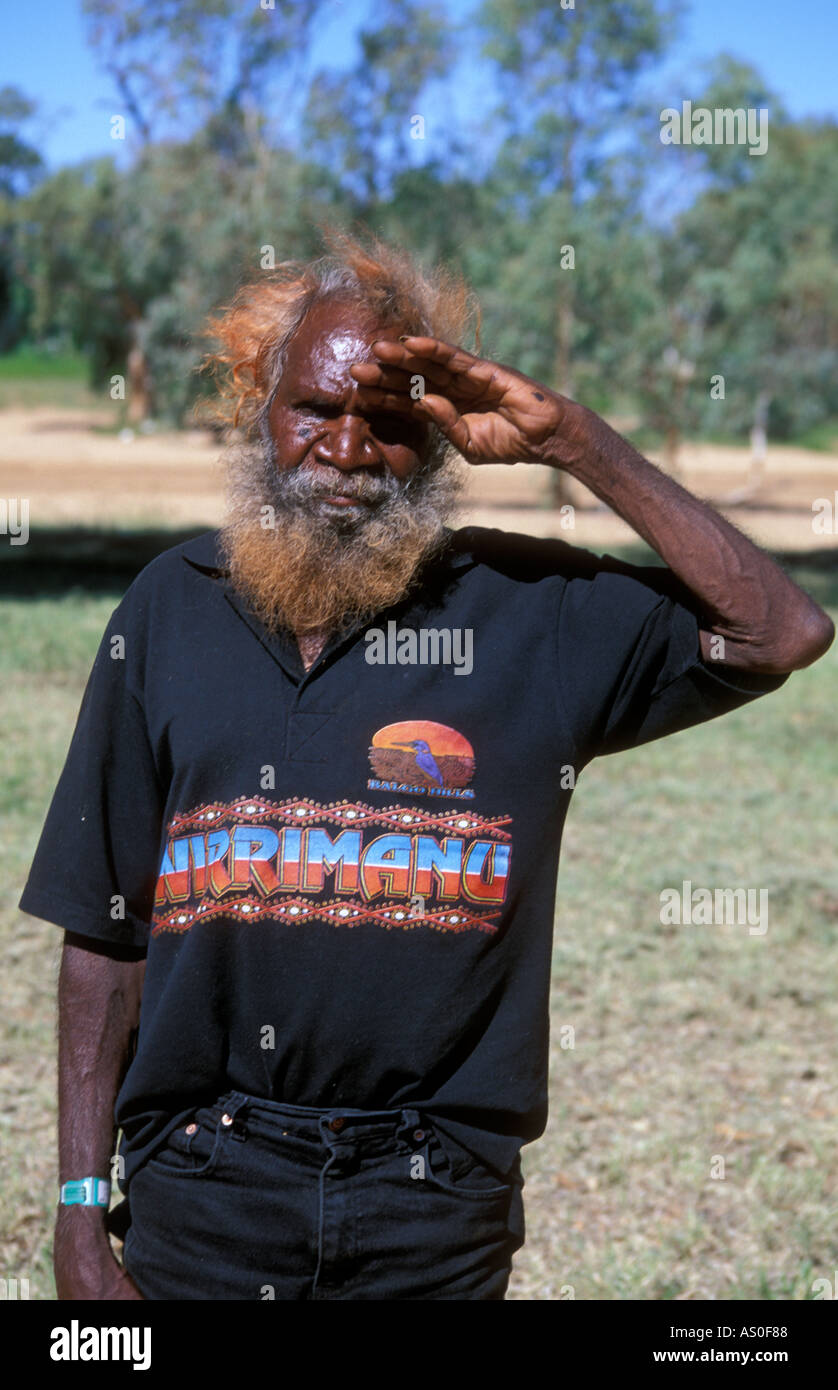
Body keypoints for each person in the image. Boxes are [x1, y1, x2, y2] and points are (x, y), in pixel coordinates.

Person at [19, 231, 833, 1301]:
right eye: (314, 408)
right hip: (204, 1180)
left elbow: (778, 631)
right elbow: (103, 935)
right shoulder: (168, 610)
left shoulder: (526, 611)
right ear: (259, 412)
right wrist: (80, 1221)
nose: (349, 448)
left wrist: (576, 441)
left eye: (392, 420)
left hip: (433, 1193)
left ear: (441, 440)